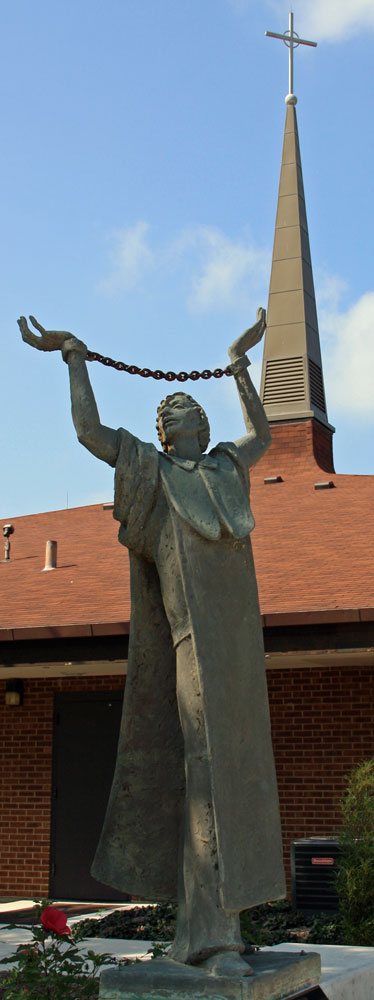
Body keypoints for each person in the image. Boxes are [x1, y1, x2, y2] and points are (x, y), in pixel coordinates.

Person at [18, 311, 285, 978]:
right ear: (166, 434)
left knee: (240, 780)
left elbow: (263, 433)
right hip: (192, 643)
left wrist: (239, 363)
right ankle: (208, 939)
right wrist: (75, 357)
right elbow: (89, 432)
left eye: (192, 399)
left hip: (238, 651)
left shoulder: (228, 469)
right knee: (206, 782)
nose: (185, 403)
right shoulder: (153, 472)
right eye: (174, 406)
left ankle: (224, 931)